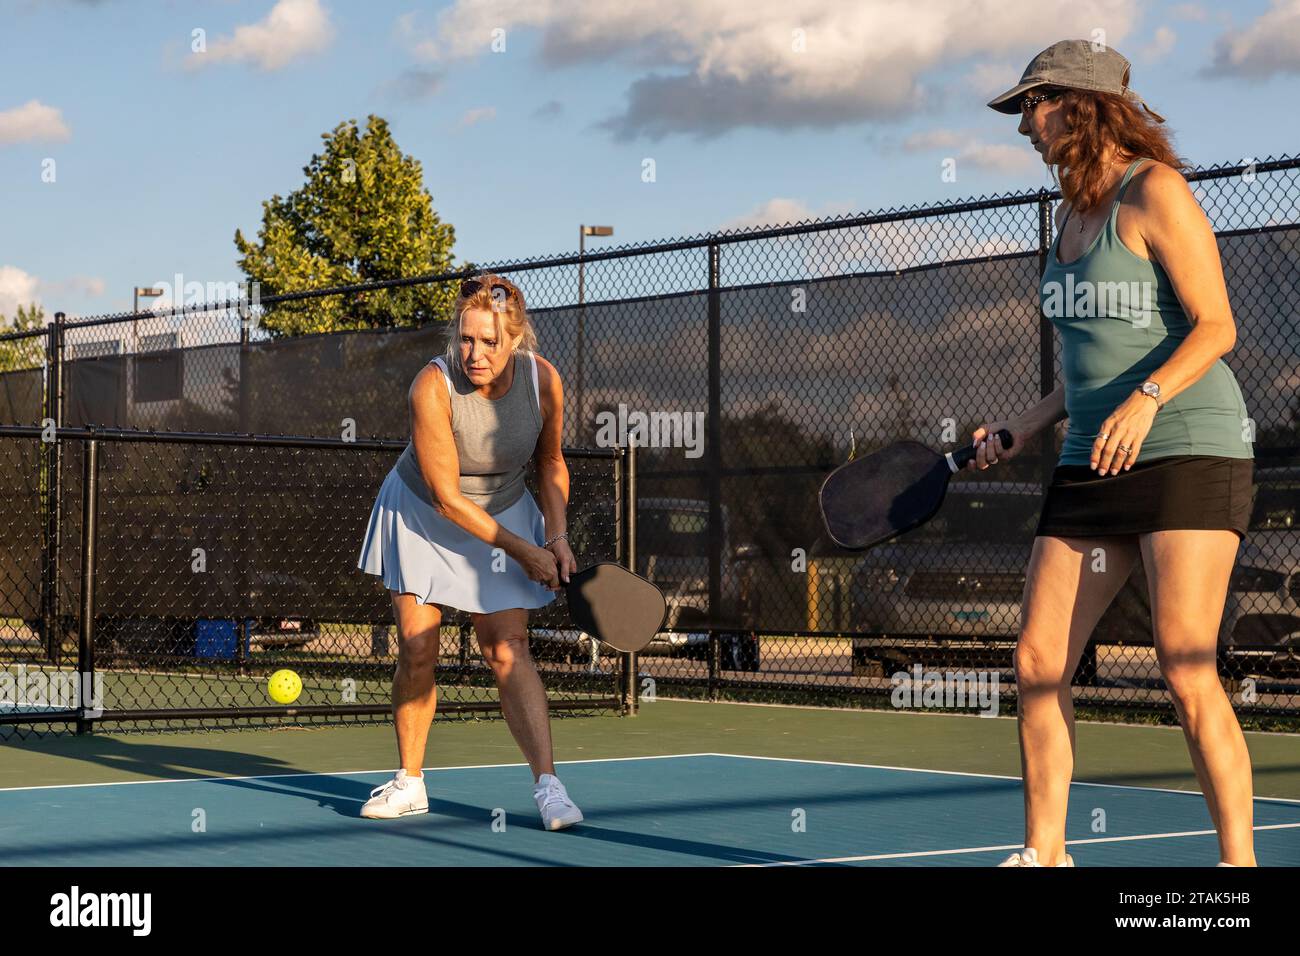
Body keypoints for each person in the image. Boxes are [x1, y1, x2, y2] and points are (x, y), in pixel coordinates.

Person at [976, 40, 1257, 866]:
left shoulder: (1156, 192)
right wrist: (1026, 425)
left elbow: (1217, 326)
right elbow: (1085, 363)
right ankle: (1046, 855)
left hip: (1187, 448)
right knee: (1035, 662)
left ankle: (1237, 870)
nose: (1024, 124)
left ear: (1082, 104)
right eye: (1023, 109)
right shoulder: (1067, 215)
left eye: (1034, 104)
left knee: (1184, 661)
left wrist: (1148, 398)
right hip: (1091, 459)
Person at [356, 273, 583, 830]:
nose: (474, 353)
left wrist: (555, 537)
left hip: (503, 505)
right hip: (424, 514)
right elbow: (447, 498)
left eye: (489, 341)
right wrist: (526, 555)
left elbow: (551, 463)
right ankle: (410, 782)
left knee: (507, 648)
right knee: (417, 646)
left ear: (515, 340)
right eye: (465, 339)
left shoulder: (543, 382)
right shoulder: (431, 386)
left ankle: (550, 788)